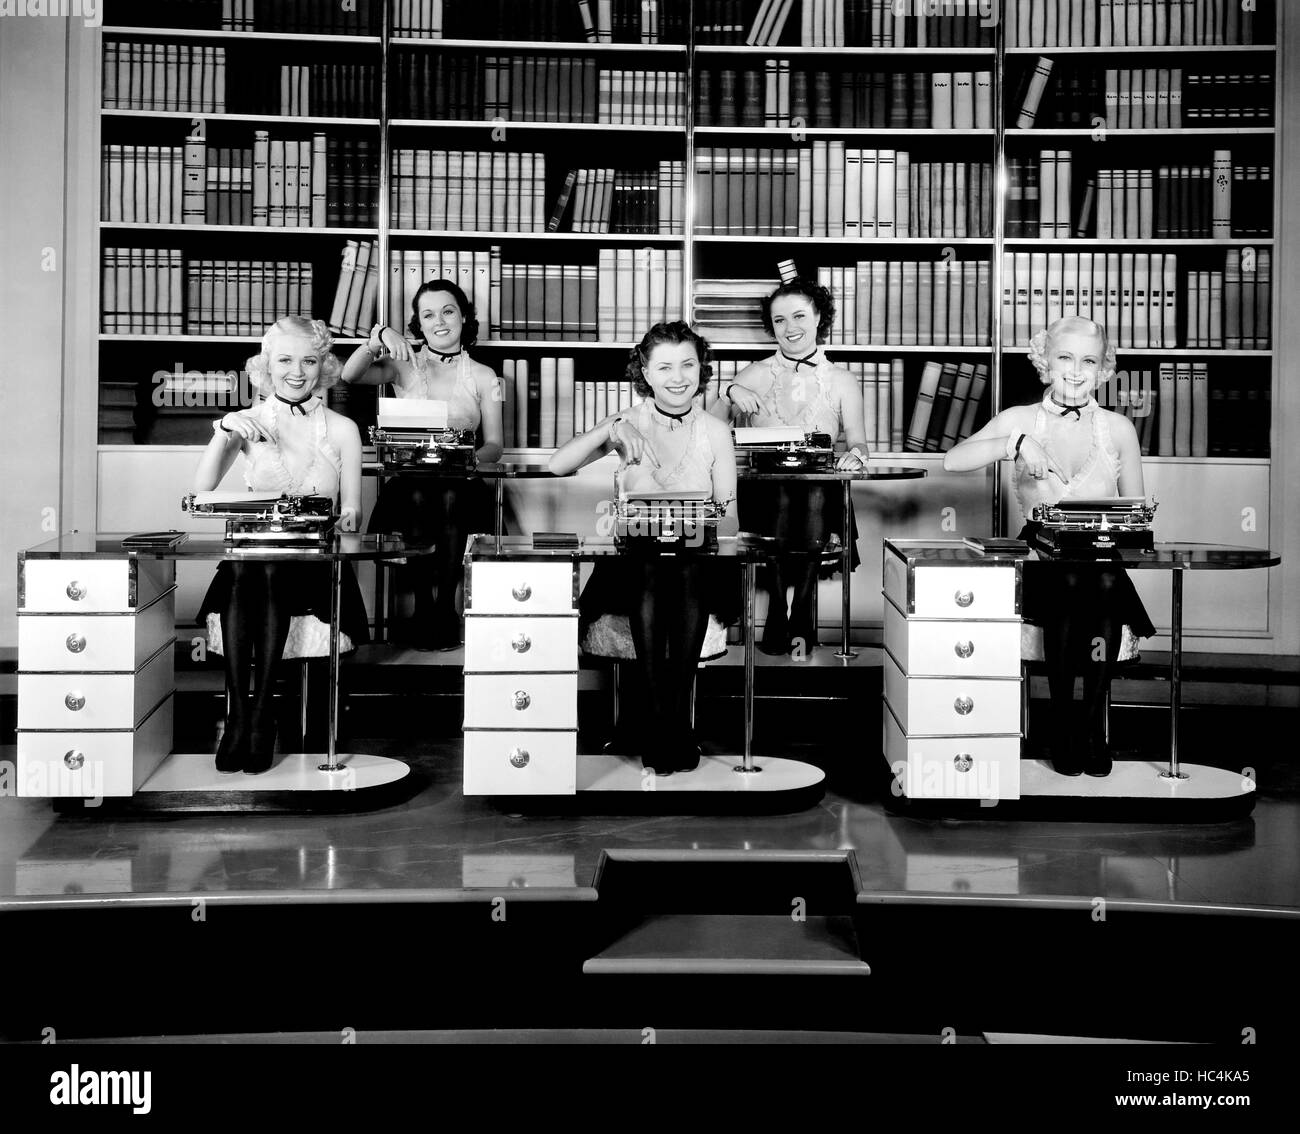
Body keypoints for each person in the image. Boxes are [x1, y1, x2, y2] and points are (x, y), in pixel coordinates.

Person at [942, 316, 1155, 777]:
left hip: (1100, 559)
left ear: (1102, 369)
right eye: (1064, 358)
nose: (1075, 371)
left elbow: (1135, 510)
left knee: (1095, 574)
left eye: (1088, 361)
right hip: (1039, 559)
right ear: (1044, 362)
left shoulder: (1118, 428)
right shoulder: (1021, 419)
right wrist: (1016, 443)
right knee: (1075, 575)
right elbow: (952, 459)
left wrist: (1118, 526)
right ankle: (1064, 723)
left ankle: (1090, 726)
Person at [549, 321, 738, 775]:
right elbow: (558, 466)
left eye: (688, 364)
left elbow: (729, 517)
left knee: (688, 569)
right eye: (665, 366)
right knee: (652, 568)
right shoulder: (626, 423)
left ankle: (673, 718)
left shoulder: (716, 430)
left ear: (702, 370)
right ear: (645, 374)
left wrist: (711, 532)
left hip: (698, 559)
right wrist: (611, 426)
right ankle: (662, 720)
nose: (678, 377)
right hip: (632, 566)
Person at [194, 316, 367, 774]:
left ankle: (259, 712)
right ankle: (242, 717)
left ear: (323, 366)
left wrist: (345, 514)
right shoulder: (247, 421)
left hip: (313, 562)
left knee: (265, 570)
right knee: (254, 568)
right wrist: (225, 428)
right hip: (253, 559)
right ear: (265, 365)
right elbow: (204, 489)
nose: (297, 371)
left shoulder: (344, 428)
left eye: (308, 360)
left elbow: (354, 511)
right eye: (285, 360)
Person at [709, 277, 870, 654]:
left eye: (799, 316)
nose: (790, 328)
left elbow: (859, 439)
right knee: (783, 491)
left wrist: (856, 455)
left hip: (822, 492)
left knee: (813, 488)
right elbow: (708, 431)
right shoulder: (752, 375)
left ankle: (796, 609)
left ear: (819, 318)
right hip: (762, 494)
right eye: (779, 320)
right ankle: (784, 610)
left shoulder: (842, 380)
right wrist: (729, 390)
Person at [341, 279, 504, 649]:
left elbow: (495, 445)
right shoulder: (404, 364)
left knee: (448, 495)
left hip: (461, 482)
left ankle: (445, 607)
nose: (439, 321)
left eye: (448, 311)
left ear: (463, 316)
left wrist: (469, 458)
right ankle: (424, 607)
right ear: (418, 323)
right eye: (428, 314)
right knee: (416, 494)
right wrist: (378, 335)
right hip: (410, 482)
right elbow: (349, 376)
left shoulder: (485, 376)